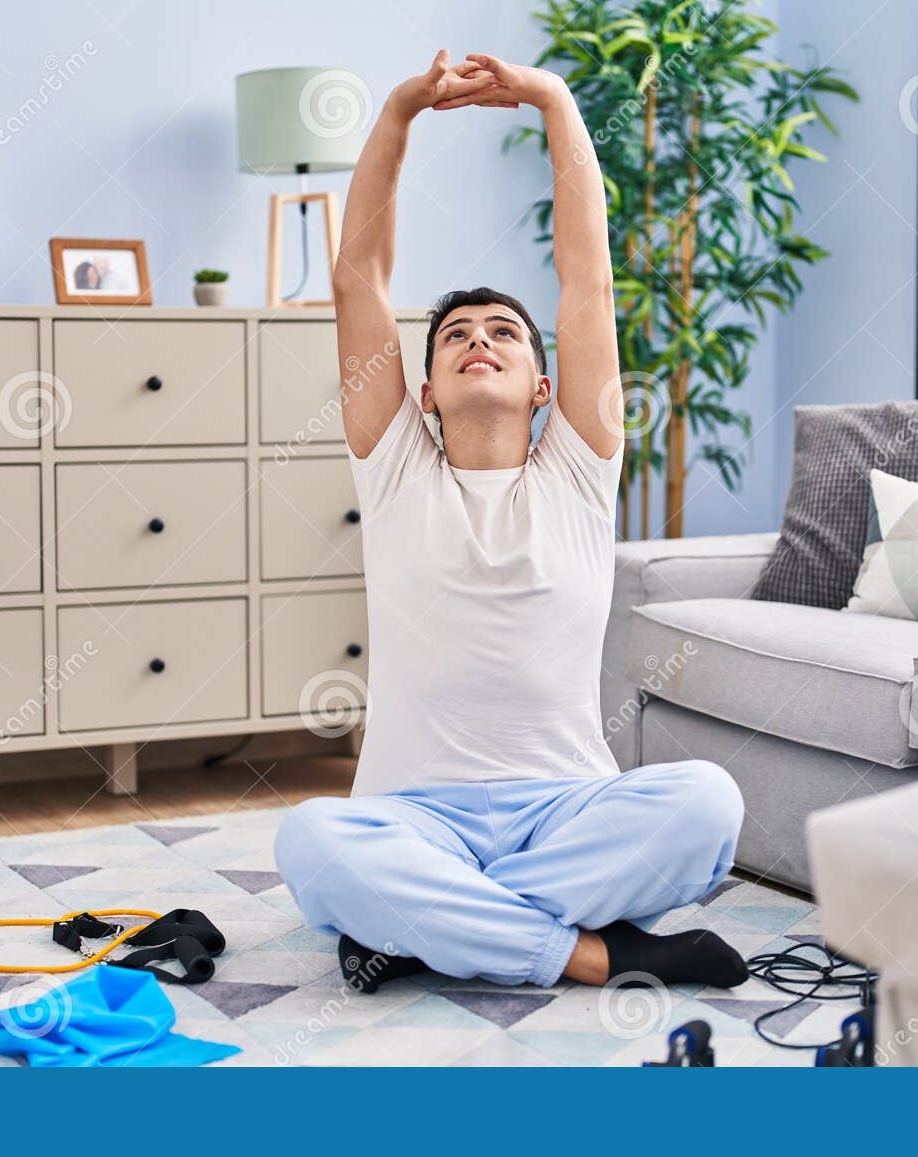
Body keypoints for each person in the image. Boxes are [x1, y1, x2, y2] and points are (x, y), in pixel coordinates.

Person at [273, 50, 749, 995]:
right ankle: (589, 952)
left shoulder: (579, 467)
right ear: (425, 392)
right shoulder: (396, 463)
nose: (478, 340)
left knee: (707, 804)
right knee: (312, 840)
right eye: (455, 335)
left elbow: (589, 284)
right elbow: (356, 280)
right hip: (414, 813)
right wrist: (402, 108)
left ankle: (425, 923)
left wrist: (553, 97)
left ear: (543, 385)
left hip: (566, 807)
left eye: (502, 332)